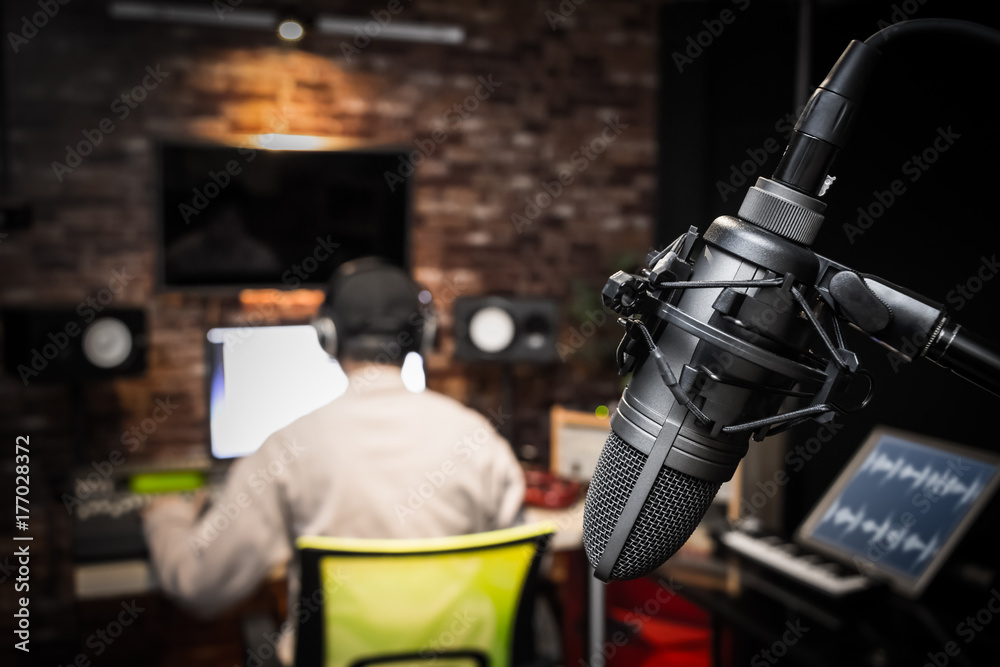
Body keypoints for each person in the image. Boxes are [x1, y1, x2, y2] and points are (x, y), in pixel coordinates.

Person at [142, 258, 526, 665]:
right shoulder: (479, 440)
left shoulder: (287, 448)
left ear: (326, 336)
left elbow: (201, 587)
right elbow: (512, 563)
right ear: (425, 336)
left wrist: (166, 518)